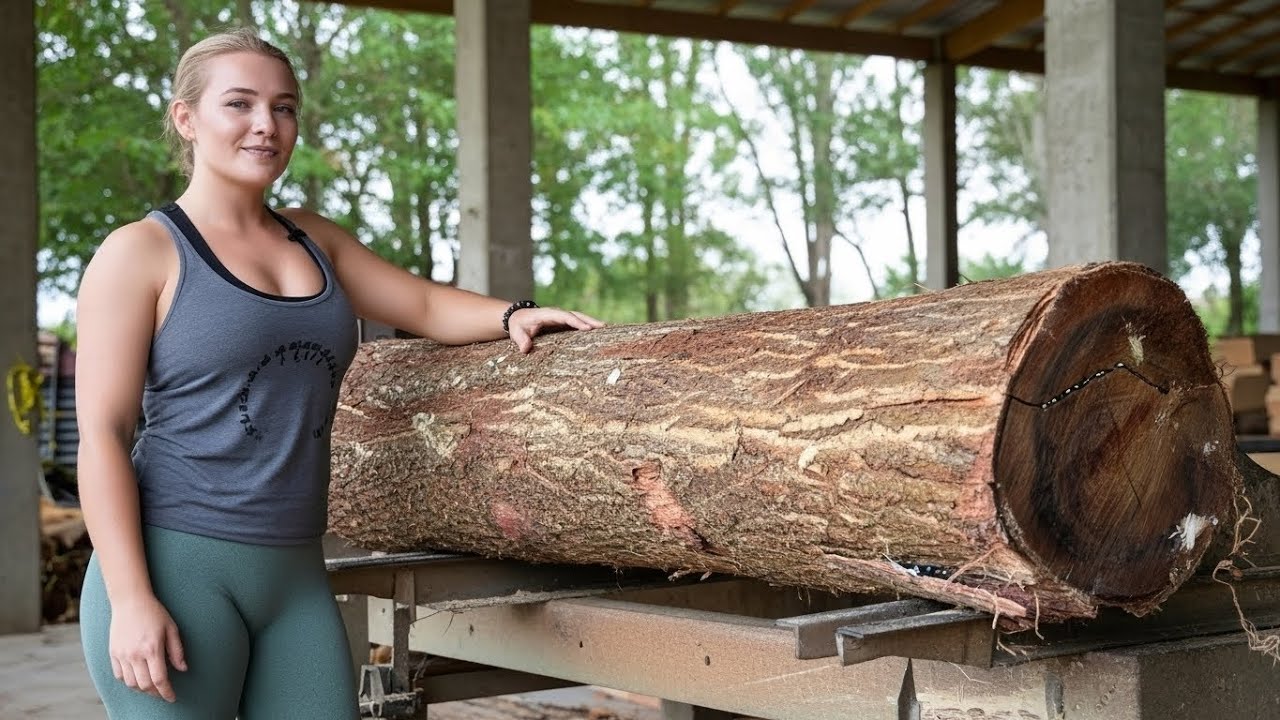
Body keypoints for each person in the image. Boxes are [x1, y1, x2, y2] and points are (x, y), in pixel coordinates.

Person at [75, 27, 603, 719]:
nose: (266, 125)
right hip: (175, 568)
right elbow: (104, 436)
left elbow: (422, 304)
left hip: (294, 574)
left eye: (284, 107)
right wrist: (130, 599)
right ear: (186, 118)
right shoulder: (140, 253)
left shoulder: (314, 239)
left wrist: (514, 315)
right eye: (239, 103)